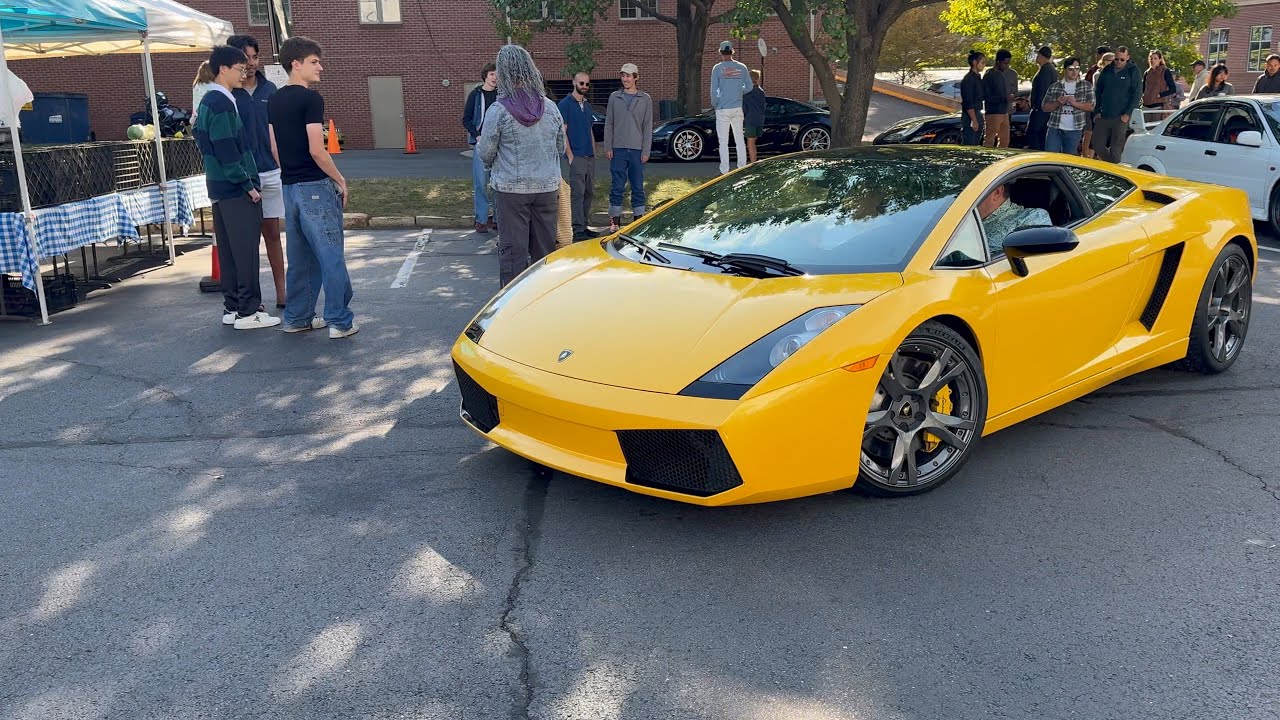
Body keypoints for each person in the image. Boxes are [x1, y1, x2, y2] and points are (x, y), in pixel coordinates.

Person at [268, 36, 357, 339]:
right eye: (314, 62)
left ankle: (297, 317)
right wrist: (340, 179)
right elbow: (317, 149)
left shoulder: (275, 100)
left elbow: (275, 147)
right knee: (330, 253)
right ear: (296, 64)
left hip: (289, 187)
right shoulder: (311, 99)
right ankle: (340, 321)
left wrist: (290, 173)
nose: (321, 67)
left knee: (300, 257)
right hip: (315, 187)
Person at [194, 45, 276, 330]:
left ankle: (232, 307)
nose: (244, 74)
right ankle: (248, 311)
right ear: (223, 69)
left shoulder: (208, 100)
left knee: (229, 252)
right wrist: (247, 184)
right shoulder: (222, 102)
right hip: (235, 187)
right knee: (245, 252)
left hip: (219, 188)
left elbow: (204, 140)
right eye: (240, 69)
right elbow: (227, 147)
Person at [477, 45, 565, 288]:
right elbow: (559, 147)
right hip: (547, 189)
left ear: (503, 73)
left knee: (513, 254)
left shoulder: (499, 110)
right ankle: (543, 302)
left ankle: (512, 309)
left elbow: (485, 154)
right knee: (544, 253)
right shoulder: (550, 107)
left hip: (511, 191)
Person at [227, 34, 285, 310]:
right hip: (242, 178)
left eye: (254, 57)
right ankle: (250, 300)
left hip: (271, 173)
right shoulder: (226, 95)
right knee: (246, 243)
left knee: (272, 235)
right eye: (244, 58)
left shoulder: (270, 89)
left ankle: (283, 294)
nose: (250, 63)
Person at [603, 62, 652, 233]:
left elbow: (647, 126)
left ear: (636, 78)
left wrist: (646, 150)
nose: (625, 79)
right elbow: (609, 123)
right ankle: (614, 221)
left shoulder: (645, 99)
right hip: (618, 149)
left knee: (637, 186)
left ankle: (638, 221)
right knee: (617, 185)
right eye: (623, 75)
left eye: (629, 76)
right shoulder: (614, 97)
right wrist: (608, 146)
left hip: (637, 150)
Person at [558, 71, 597, 241]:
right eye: (581, 83)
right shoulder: (565, 104)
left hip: (589, 156)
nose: (584, 87)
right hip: (577, 156)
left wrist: (594, 151)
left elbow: (589, 129)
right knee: (578, 193)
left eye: (587, 84)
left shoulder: (587, 106)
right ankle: (577, 229)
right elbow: (562, 132)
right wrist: (570, 156)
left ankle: (584, 225)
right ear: (574, 82)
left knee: (589, 192)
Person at [462, 63, 498, 234]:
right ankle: (481, 219)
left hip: (500, 145)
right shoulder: (476, 95)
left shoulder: (502, 96)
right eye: (492, 74)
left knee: (499, 183)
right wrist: (477, 135)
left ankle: (498, 218)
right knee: (481, 183)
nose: (495, 77)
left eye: (497, 74)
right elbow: (466, 119)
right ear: (485, 75)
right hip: (481, 144)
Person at [1092, 46, 1142, 163]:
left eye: (1122, 60)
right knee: (1097, 144)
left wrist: (1127, 114)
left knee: (1116, 148)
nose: (1119, 62)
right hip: (1104, 114)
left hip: (1121, 116)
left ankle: (1114, 169)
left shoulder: (1133, 71)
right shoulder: (1107, 70)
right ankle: (1114, 165)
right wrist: (1097, 111)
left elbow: (1137, 93)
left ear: (1127, 58)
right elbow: (1098, 91)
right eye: (1117, 59)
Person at [710, 41, 752, 174]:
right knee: (739, 139)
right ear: (732, 51)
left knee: (723, 141)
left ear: (721, 53)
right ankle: (742, 167)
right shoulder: (742, 67)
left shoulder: (717, 68)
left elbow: (713, 89)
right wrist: (739, 91)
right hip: (737, 107)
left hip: (722, 108)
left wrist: (715, 103)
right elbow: (749, 87)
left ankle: (724, 170)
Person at [978, 183, 1052, 257]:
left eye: (976, 193)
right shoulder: (970, 218)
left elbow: (1035, 261)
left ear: (997, 193)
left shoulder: (1033, 217)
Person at [1042, 57, 1094, 155]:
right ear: (1065, 70)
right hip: (1055, 127)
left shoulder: (1086, 86)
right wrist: (1058, 103)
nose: (1074, 72)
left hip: (1074, 129)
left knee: (1069, 159)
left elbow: (1091, 106)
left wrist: (1075, 103)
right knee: (1050, 156)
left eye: (1077, 68)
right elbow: (1045, 107)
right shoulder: (1055, 86)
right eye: (1071, 69)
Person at [1083, 51, 1114, 159]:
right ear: (1104, 61)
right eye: (1111, 60)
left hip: (1111, 110)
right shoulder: (1098, 74)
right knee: (1095, 134)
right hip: (1100, 107)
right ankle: (1089, 158)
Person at [1028, 46, 1058, 150]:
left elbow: (1043, 91)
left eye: (1038, 55)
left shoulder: (1046, 71)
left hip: (1041, 111)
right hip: (1044, 110)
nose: (1036, 57)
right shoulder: (1049, 70)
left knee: (1035, 137)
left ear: (1042, 56)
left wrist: (1038, 106)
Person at [983, 49, 1013, 148]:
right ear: (998, 62)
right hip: (993, 112)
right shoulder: (989, 75)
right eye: (1005, 63)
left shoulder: (1002, 75)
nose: (1007, 66)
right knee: (989, 140)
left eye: (1008, 63)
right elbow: (986, 96)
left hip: (1004, 111)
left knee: (1005, 140)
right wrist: (1004, 98)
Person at [960, 50, 986, 145]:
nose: (984, 65)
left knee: (976, 142)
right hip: (970, 115)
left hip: (978, 112)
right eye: (982, 62)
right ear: (975, 62)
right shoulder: (968, 79)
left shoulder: (978, 77)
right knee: (970, 142)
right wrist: (974, 120)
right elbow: (968, 102)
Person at [743, 69, 765, 163]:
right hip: (759, 119)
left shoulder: (747, 92)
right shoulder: (761, 91)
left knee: (750, 143)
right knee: (754, 142)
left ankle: (753, 162)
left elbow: (744, 107)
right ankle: (754, 160)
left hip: (750, 119)